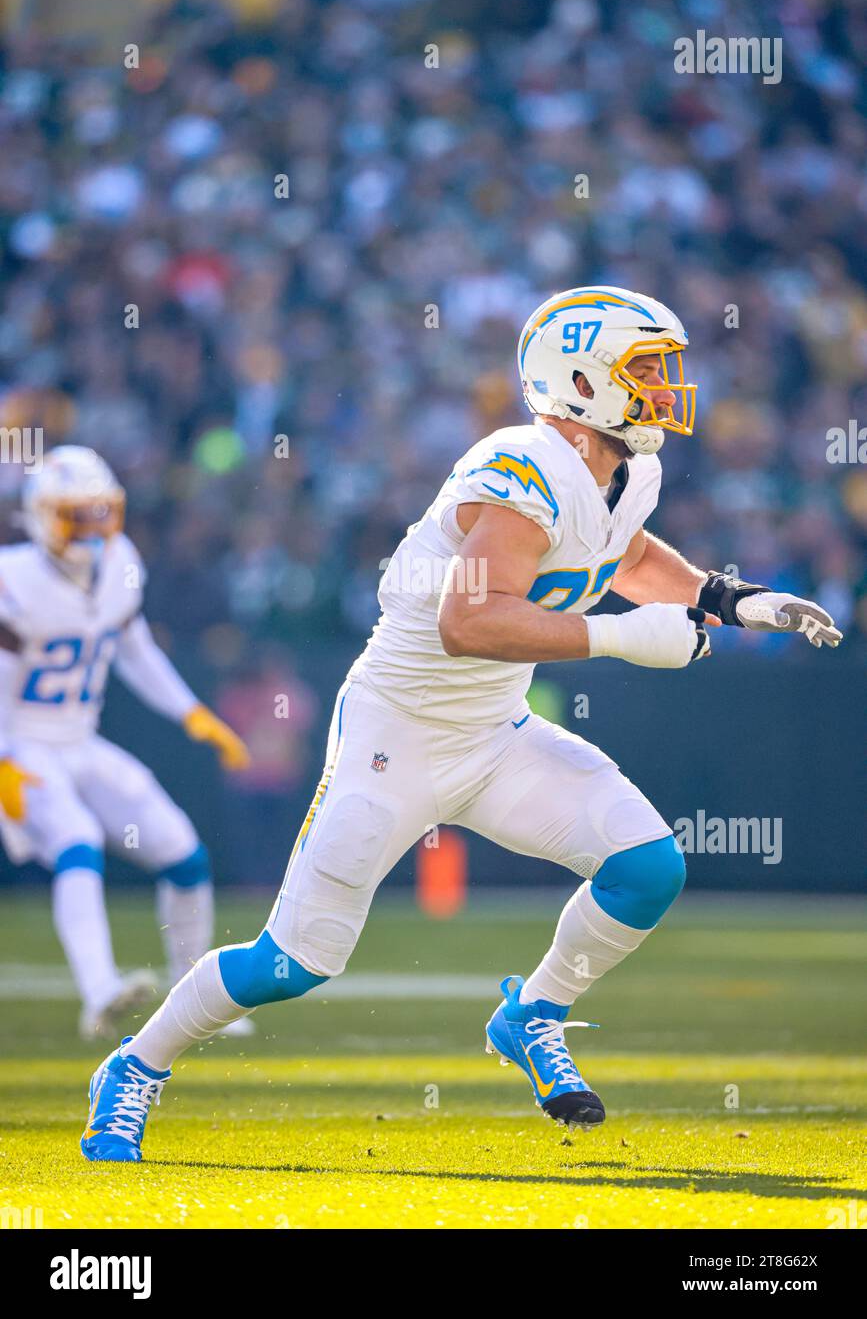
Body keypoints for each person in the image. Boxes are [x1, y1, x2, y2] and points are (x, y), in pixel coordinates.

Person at [78, 288, 841, 1161]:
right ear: (583, 380)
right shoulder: (520, 465)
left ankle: (532, 1014)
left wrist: (730, 599)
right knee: (290, 964)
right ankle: (134, 1068)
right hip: (394, 740)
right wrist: (623, 637)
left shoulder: (624, 467)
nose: (666, 386)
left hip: (492, 734)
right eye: (645, 368)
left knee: (646, 865)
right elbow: (469, 623)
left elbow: (621, 553)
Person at [0, 446, 254, 1039]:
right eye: (75, 516)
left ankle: (197, 1000)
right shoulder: (15, 578)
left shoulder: (119, 565)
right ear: (41, 516)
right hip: (21, 744)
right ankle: (99, 993)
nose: (92, 530)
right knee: (77, 840)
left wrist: (191, 711)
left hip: (79, 739)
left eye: (99, 513)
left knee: (183, 851)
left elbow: (134, 649)